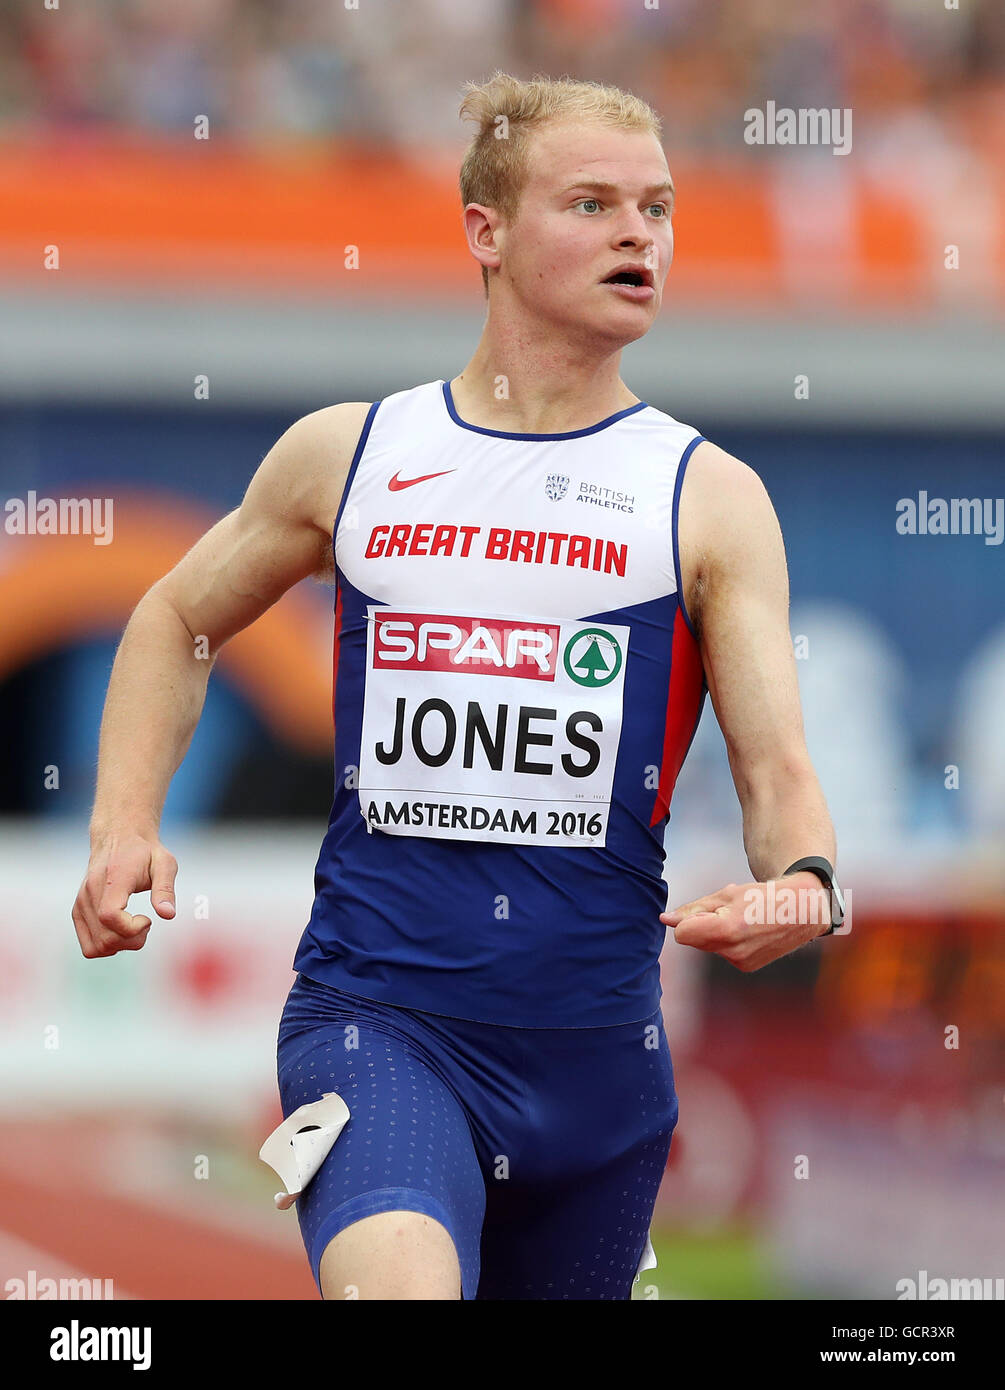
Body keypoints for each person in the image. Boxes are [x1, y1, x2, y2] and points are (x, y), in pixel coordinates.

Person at [72, 72, 841, 1300]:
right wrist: (122, 827)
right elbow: (174, 617)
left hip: (598, 1061)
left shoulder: (706, 495)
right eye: (592, 203)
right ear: (485, 232)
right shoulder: (356, 454)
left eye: (658, 206)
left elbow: (778, 775)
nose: (638, 233)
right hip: (379, 1023)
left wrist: (801, 884)